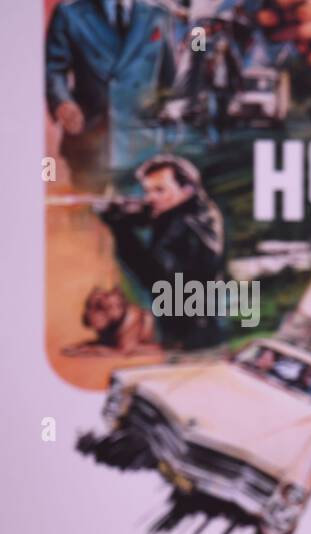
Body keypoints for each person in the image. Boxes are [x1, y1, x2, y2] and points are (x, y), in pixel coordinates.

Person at [98, 154, 227, 350]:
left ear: (186, 190)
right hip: (189, 326)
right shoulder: (193, 212)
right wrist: (128, 216)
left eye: (160, 190)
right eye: (147, 191)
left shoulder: (187, 225)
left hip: (193, 334)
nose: (151, 198)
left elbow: (154, 276)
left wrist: (121, 229)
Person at [45, 0, 178, 190]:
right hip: (90, 139)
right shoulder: (70, 12)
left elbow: (169, 79)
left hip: (143, 143)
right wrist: (62, 102)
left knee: (142, 212)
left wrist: (169, 128)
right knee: (88, 213)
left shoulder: (158, 13)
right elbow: (53, 69)